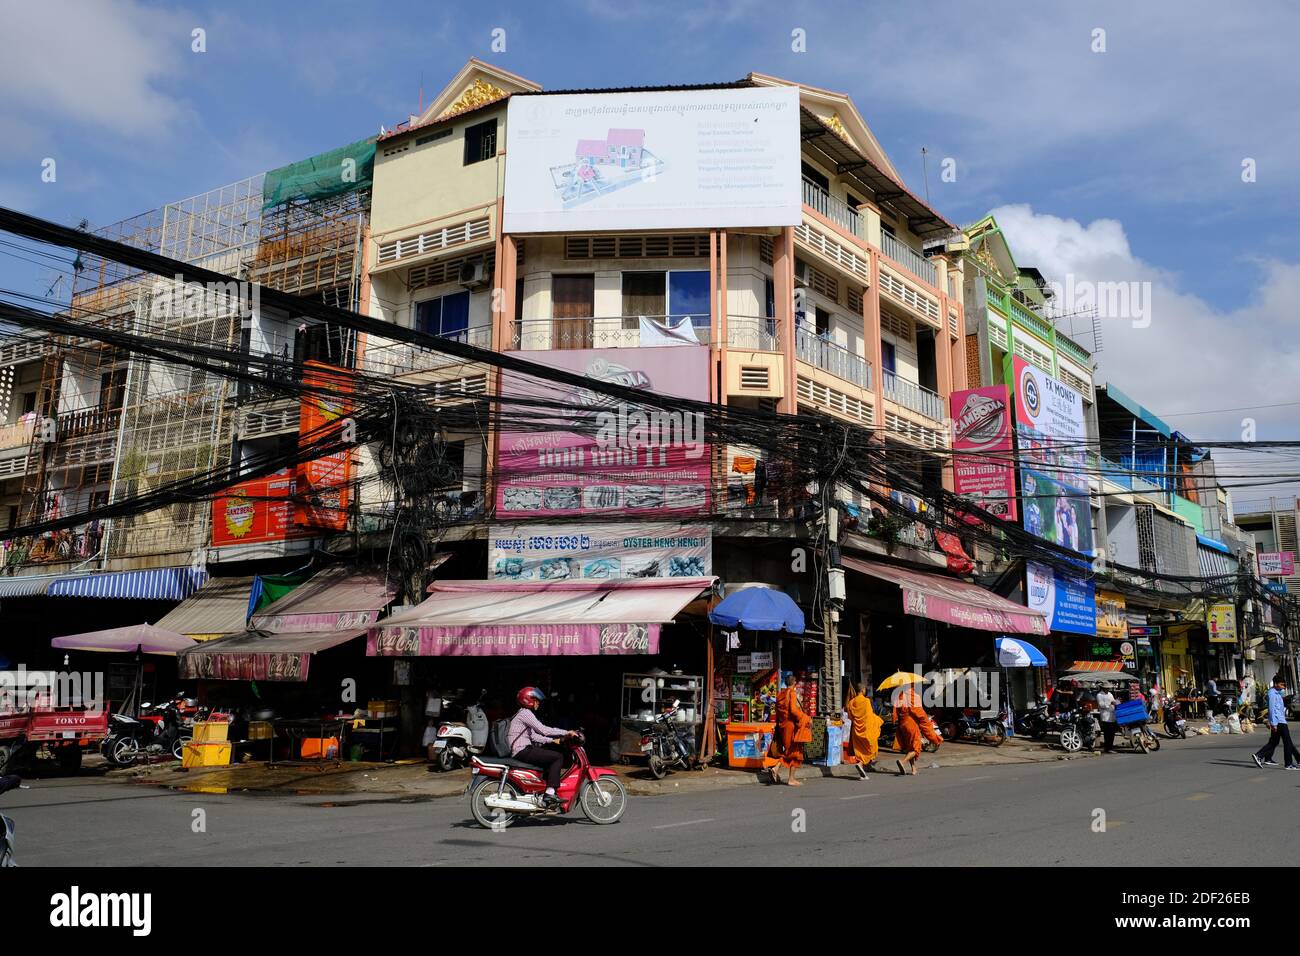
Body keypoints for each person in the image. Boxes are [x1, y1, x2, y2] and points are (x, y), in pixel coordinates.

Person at [507, 686, 577, 807]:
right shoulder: (525, 713)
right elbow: (543, 730)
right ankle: (549, 794)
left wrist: (553, 741)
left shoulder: (522, 714)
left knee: (548, 757)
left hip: (522, 750)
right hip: (522, 750)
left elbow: (535, 737)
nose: (538, 703)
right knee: (557, 757)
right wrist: (566, 732)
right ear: (528, 700)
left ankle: (542, 792)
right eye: (536, 700)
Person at [763, 672, 812, 786]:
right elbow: (794, 710)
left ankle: (778, 769)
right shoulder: (792, 693)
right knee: (795, 752)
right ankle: (789, 778)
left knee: (789, 750)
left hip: (782, 725)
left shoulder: (780, 694)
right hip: (791, 725)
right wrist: (805, 718)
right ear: (794, 683)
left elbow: (778, 710)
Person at [892, 682, 941, 776]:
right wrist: (925, 721)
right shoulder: (911, 694)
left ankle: (913, 769)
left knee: (910, 747)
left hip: (902, 724)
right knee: (916, 747)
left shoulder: (898, 696)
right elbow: (918, 712)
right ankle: (902, 761)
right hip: (911, 723)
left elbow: (896, 712)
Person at [1251, 674, 1299, 770]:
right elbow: (1272, 710)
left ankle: (1260, 756)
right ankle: (1288, 764)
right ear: (1276, 684)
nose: (1283, 687)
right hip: (1279, 722)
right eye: (1281, 685)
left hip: (1280, 721)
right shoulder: (1272, 694)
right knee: (1287, 743)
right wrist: (1273, 724)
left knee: (1275, 742)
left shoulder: (1277, 693)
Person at [844, 682, 883, 779]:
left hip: (856, 730)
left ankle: (862, 770)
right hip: (866, 729)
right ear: (862, 690)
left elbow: (850, 717)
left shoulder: (851, 702)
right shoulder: (866, 701)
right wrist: (878, 720)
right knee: (871, 748)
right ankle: (861, 763)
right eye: (865, 690)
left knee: (859, 750)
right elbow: (869, 717)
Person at [1095, 684, 1117, 753]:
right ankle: (1107, 748)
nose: (1108, 689)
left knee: (1112, 733)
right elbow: (1101, 705)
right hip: (1105, 716)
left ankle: (1110, 747)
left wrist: (1115, 702)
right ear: (1103, 688)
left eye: (1108, 688)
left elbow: (1113, 701)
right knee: (1107, 733)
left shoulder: (1110, 694)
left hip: (1112, 715)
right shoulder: (1099, 695)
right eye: (1106, 688)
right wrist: (1110, 703)